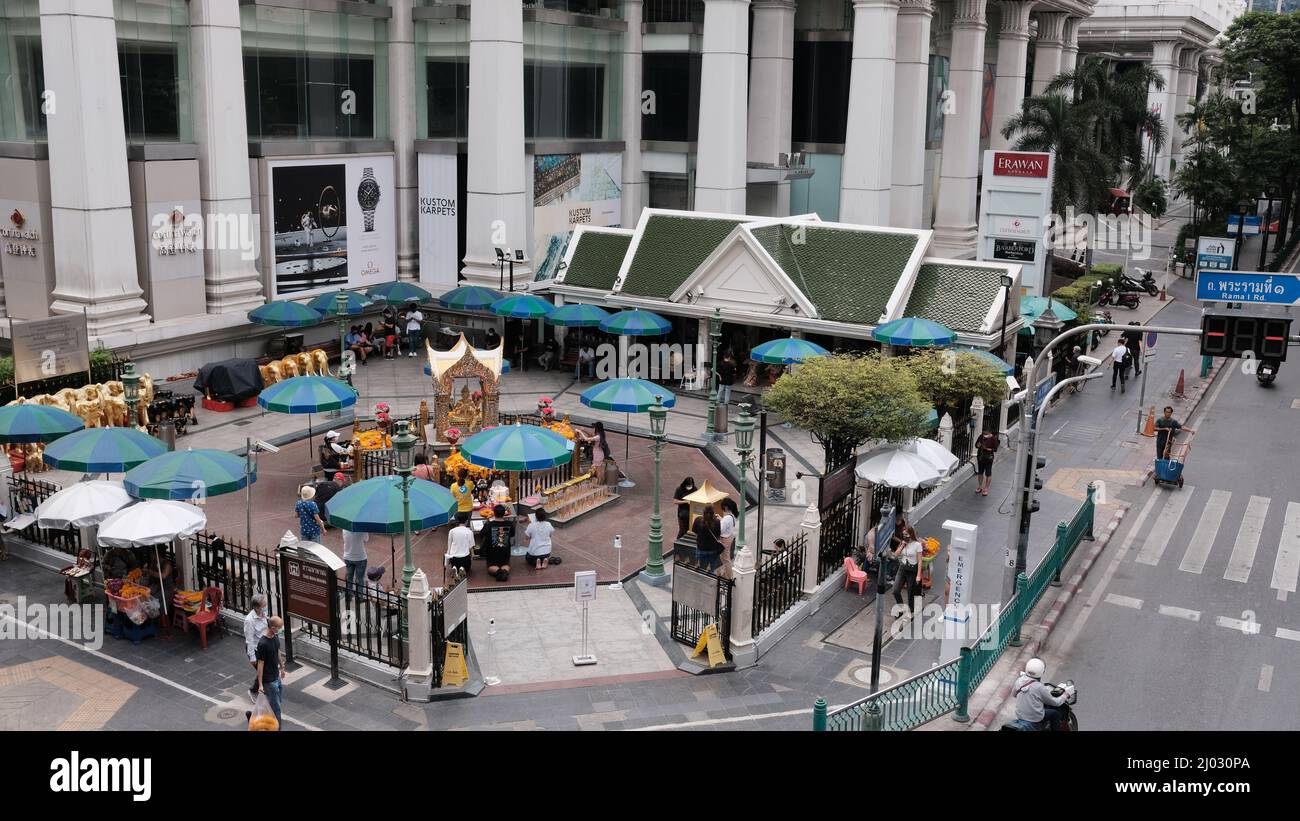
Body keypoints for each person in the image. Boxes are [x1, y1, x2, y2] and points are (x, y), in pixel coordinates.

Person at [1013, 657, 1069, 731]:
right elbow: (1055, 702)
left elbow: (1014, 694)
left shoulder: (1019, 681)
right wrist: (1065, 696)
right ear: (1042, 672)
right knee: (1055, 714)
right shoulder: (1039, 687)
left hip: (1020, 715)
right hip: (1035, 718)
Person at [255, 616, 285, 728]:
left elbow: (278, 651)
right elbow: (260, 664)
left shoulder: (275, 637)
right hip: (269, 680)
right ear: (273, 628)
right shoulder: (263, 643)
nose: (281, 629)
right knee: (276, 707)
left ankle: (266, 719)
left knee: (276, 702)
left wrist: (282, 667)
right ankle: (277, 727)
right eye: (279, 627)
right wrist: (260, 684)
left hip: (276, 676)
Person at [243, 594, 269, 700]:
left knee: (266, 671)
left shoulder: (263, 614)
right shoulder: (250, 620)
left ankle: (262, 688)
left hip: (264, 647)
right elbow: (249, 640)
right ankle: (254, 690)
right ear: (257, 607)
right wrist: (252, 657)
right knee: (264, 672)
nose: (266, 606)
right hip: (256, 649)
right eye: (264, 605)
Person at [892, 535, 923, 613]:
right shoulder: (903, 543)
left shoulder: (917, 545)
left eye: (906, 534)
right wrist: (902, 545)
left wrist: (918, 575)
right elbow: (895, 555)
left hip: (912, 570)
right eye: (904, 534)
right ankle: (901, 608)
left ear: (911, 534)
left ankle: (911, 609)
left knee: (910, 594)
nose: (905, 536)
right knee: (896, 590)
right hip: (902, 568)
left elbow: (920, 561)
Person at [483, 504, 514, 581]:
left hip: (492, 553)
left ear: (494, 513)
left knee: (491, 566)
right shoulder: (509, 524)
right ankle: (503, 572)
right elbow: (512, 534)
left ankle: (498, 572)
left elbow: (482, 534)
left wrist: (487, 522)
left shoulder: (489, 525)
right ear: (504, 513)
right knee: (506, 565)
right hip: (505, 552)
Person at [692, 506, 725, 572]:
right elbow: (718, 535)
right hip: (713, 549)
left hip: (701, 548)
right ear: (713, 513)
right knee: (712, 568)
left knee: (702, 568)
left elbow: (695, 533)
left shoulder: (698, 520)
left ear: (703, 512)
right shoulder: (717, 522)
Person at [341, 527, 369, 602]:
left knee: (349, 578)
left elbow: (345, 539)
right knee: (360, 578)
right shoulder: (362, 529)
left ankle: (348, 595)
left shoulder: (344, 529)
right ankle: (359, 597)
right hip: (360, 557)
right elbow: (366, 539)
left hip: (348, 556)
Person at [974, 429, 999, 497]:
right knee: (980, 472)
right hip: (981, 457)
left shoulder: (993, 439)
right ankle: (980, 486)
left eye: (986, 435)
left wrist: (988, 449)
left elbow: (995, 449)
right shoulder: (981, 437)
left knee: (988, 473)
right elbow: (976, 445)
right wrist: (978, 445)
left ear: (990, 434)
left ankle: (986, 488)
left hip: (988, 458)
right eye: (984, 434)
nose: (985, 436)